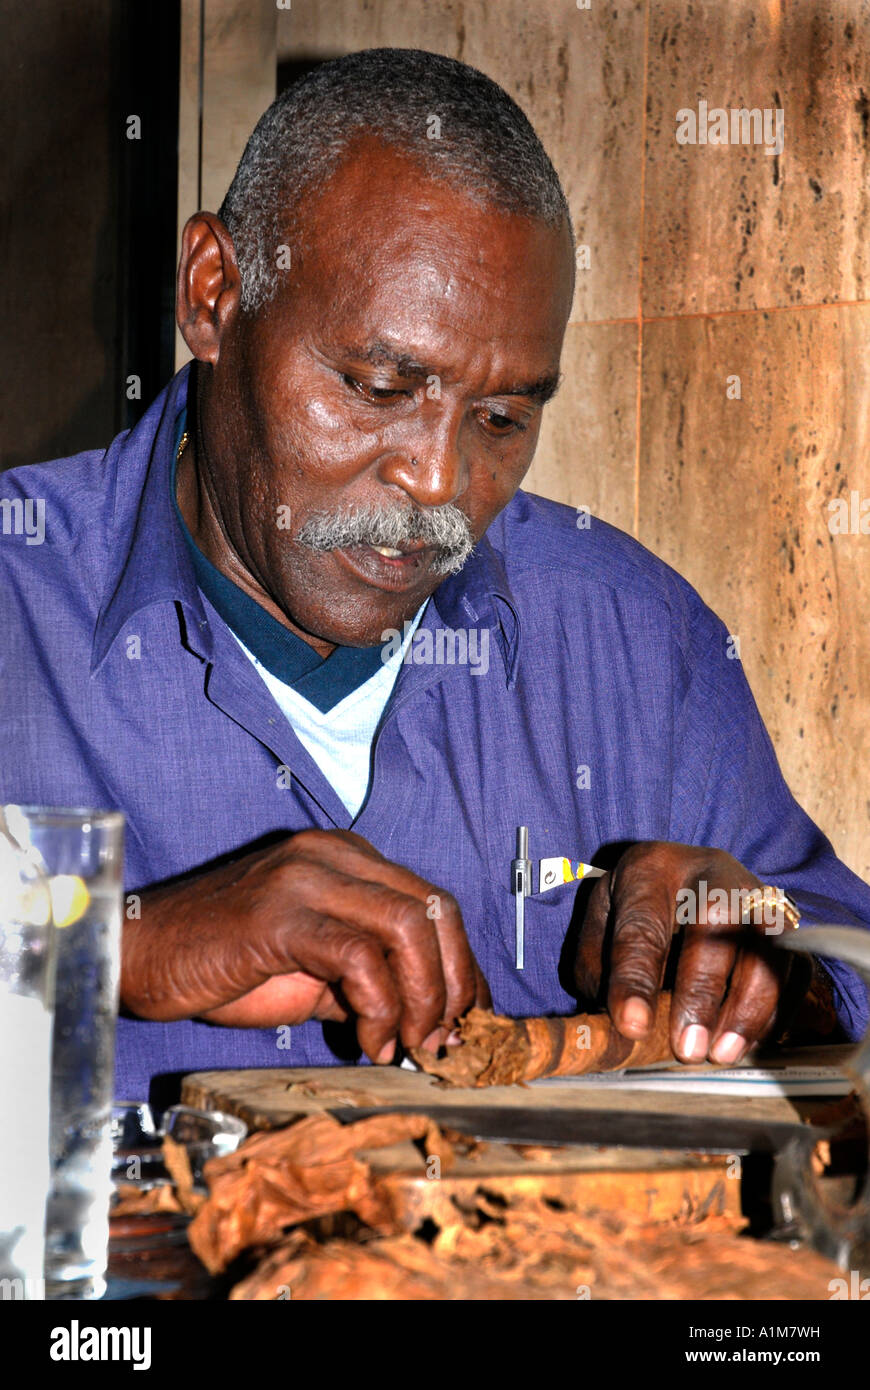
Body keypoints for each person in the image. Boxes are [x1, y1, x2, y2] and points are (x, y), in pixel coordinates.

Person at [2, 49, 867, 1102]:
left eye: (505, 417)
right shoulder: (20, 595)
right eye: (378, 385)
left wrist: (779, 978)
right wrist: (112, 947)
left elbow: (841, 965)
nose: (439, 479)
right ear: (214, 294)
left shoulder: (634, 642)